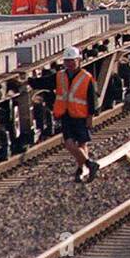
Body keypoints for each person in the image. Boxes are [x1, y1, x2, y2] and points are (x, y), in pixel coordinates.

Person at [54, 46, 99, 182]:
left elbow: (92, 100)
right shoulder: (61, 75)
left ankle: (81, 170)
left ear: (78, 60)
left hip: (81, 115)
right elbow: (47, 82)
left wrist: (90, 118)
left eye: (72, 60)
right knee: (69, 144)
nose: (69, 64)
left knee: (82, 144)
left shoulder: (86, 77)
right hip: (66, 115)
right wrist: (29, 82)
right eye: (67, 61)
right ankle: (90, 164)